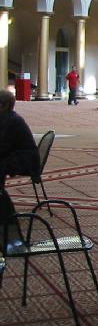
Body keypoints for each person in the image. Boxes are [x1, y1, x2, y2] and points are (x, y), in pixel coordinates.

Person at [0, 89, 39, 247]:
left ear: (4, 106)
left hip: (25, 160)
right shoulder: (6, 118)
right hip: (17, 156)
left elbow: (3, 147)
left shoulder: (11, 121)